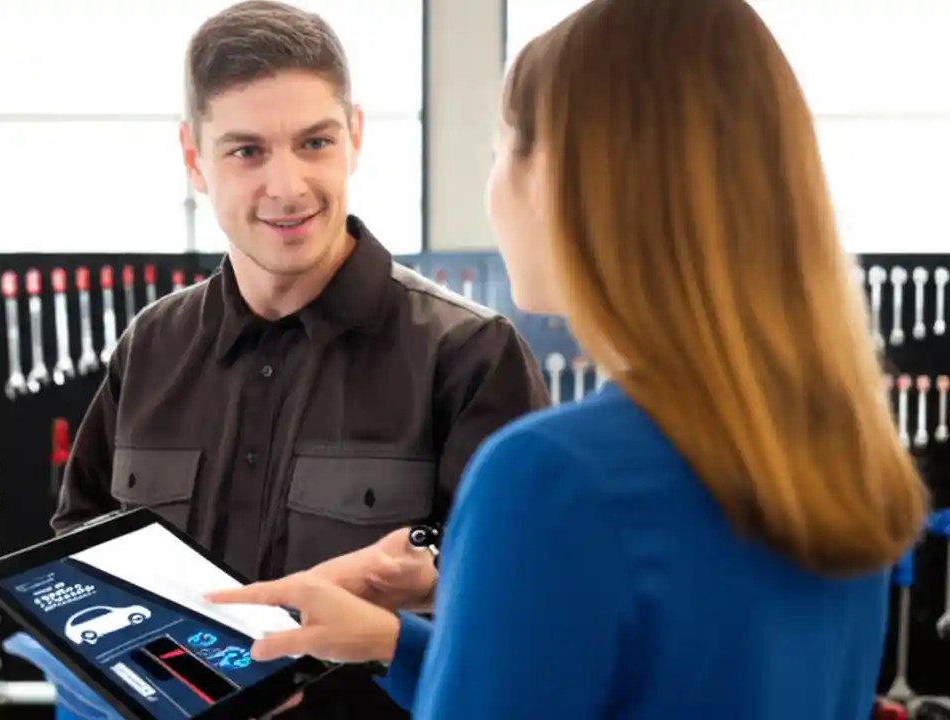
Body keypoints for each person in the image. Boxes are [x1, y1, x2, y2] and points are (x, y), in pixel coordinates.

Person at [207, 0, 930, 718]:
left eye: (498, 151)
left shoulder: (552, 478)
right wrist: (400, 641)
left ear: (564, 179)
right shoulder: (841, 457)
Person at [48, 1, 550, 718]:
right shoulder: (150, 347)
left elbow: (515, 622)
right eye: (247, 151)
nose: (287, 188)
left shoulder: (469, 357)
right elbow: (81, 545)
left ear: (355, 137)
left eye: (314, 143)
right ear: (195, 159)